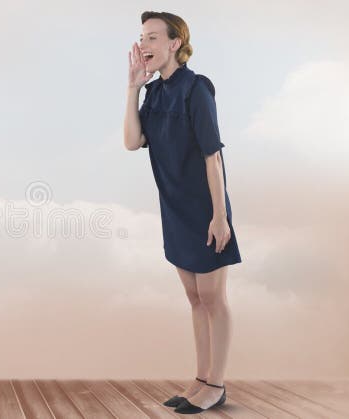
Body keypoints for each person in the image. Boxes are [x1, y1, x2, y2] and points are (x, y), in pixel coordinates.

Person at [123, 11, 242, 414]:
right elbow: (131, 141)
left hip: (205, 209)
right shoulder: (154, 94)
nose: (144, 45)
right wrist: (132, 89)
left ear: (175, 43)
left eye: (153, 37)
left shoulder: (197, 89)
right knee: (194, 299)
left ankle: (217, 384)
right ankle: (201, 378)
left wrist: (220, 216)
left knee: (213, 297)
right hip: (173, 209)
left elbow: (213, 156)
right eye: (142, 38)